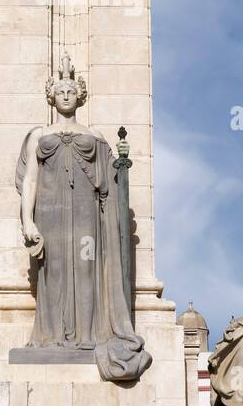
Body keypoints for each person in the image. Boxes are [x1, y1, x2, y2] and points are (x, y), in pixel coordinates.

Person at [16, 54, 150, 381]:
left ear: (80, 96)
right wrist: (27, 220)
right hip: (49, 214)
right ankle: (50, 336)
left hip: (87, 215)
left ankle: (89, 337)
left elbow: (111, 187)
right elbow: (30, 180)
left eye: (71, 91)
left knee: (87, 267)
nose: (65, 95)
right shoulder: (39, 136)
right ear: (51, 96)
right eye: (60, 91)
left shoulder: (95, 137)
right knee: (53, 272)